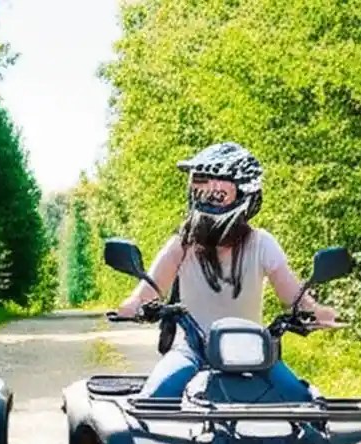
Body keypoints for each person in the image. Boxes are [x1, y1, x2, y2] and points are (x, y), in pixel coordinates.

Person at [115, 141, 340, 400]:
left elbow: (293, 296)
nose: (207, 197)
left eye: (218, 192)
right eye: (200, 188)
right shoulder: (183, 244)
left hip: (253, 351)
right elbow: (149, 290)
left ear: (244, 192)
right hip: (192, 350)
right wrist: (134, 306)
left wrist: (318, 313)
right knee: (152, 402)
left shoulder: (261, 243)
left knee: (305, 406)